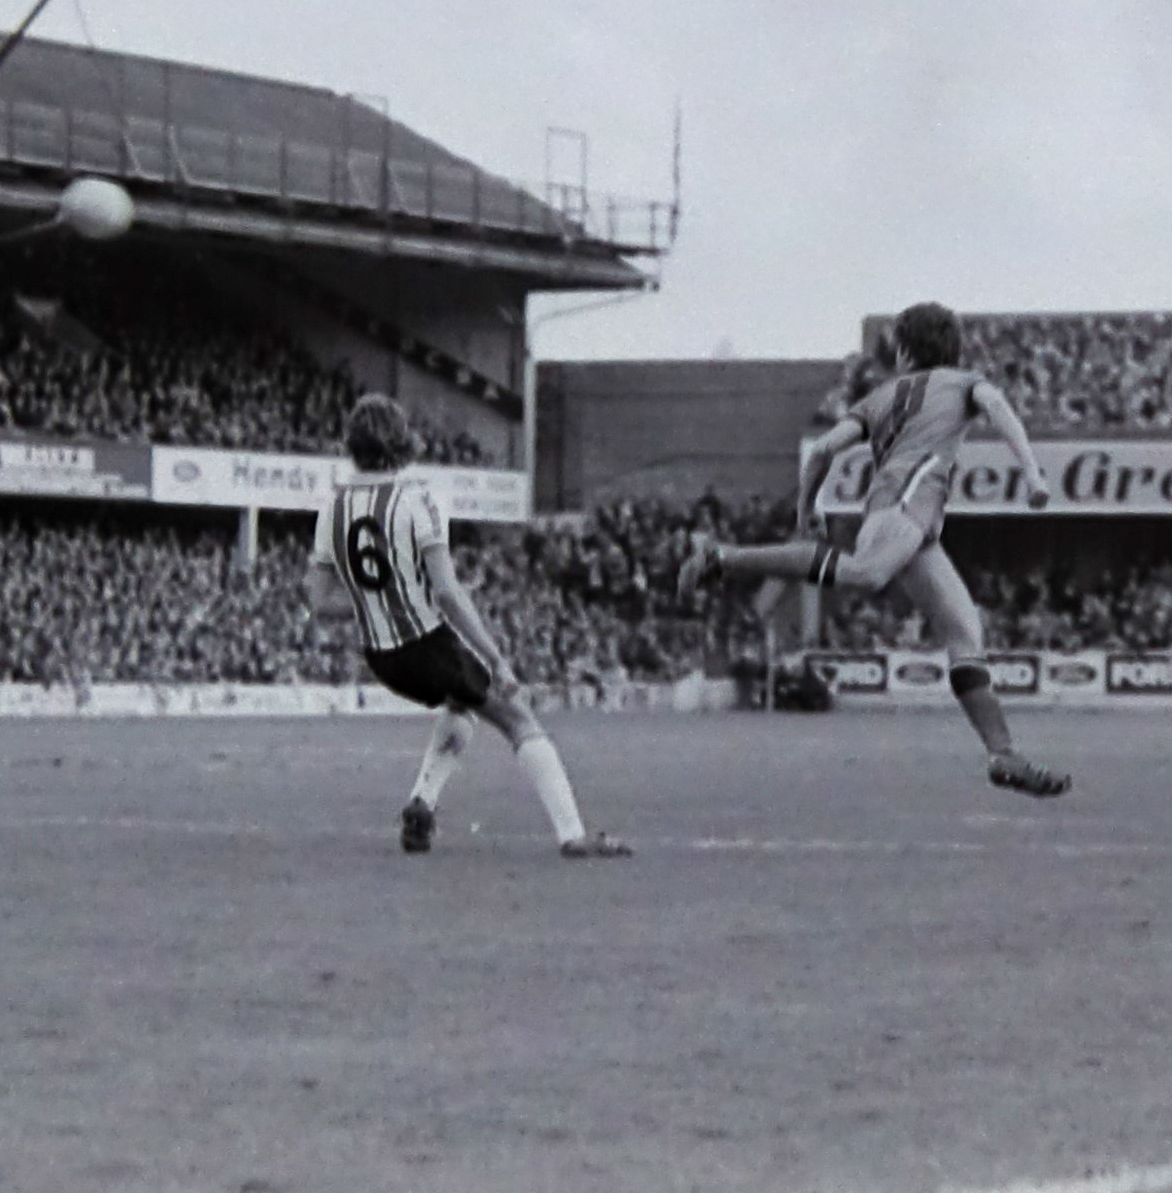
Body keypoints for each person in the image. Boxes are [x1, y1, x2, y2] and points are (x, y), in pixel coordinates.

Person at [679, 301, 1072, 798]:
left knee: (965, 633)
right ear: (952, 349)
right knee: (866, 573)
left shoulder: (881, 396)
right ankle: (723, 558)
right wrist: (1032, 474)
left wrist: (808, 506)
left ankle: (1002, 755)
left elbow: (823, 449)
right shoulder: (965, 382)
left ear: (904, 352)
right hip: (905, 507)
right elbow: (1000, 410)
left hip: (908, 521)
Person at [306, 393, 629, 858]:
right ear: (401, 441)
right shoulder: (416, 501)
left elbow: (320, 603)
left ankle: (422, 802)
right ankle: (573, 835)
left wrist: (377, 600)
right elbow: (446, 593)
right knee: (518, 717)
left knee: (463, 706)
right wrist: (497, 659)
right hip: (426, 643)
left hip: (382, 657)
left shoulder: (330, 510)